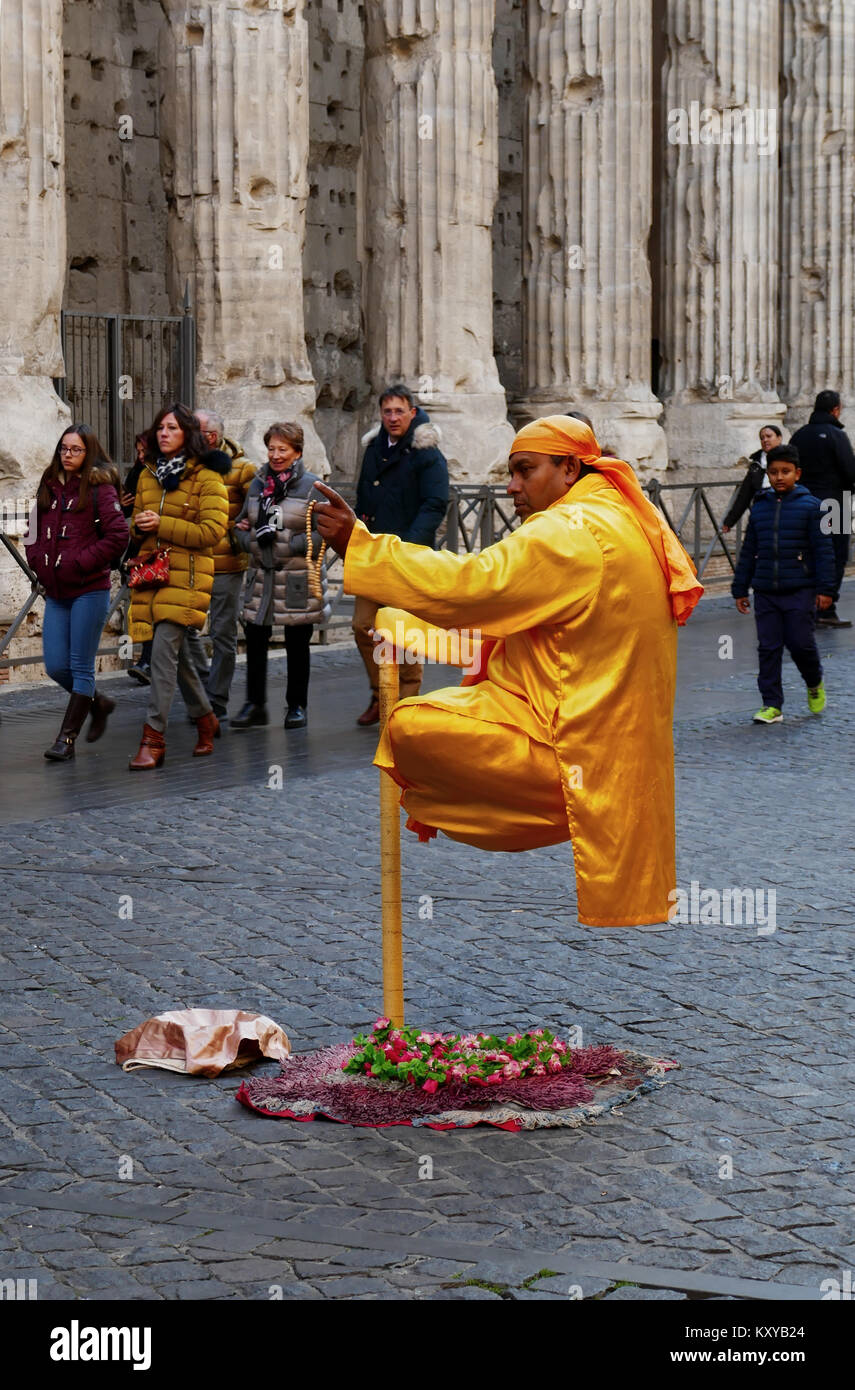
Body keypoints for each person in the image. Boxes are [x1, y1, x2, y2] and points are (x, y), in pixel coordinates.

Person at [313, 416, 704, 928]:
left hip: (563, 753)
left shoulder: (569, 532)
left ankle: (521, 806)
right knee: (423, 711)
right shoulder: (625, 519)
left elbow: (471, 588)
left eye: (525, 470)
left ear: (568, 468)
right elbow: (524, 633)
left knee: (409, 726)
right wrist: (408, 627)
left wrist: (362, 548)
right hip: (614, 759)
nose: (512, 487)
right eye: (510, 473)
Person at [127, 403, 229, 769]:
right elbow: (137, 528)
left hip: (186, 580)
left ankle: (153, 739)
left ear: (189, 434)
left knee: (161, 656)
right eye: (160, 428)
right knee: (178, 657)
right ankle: (206, 720)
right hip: (153, 578)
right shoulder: (147, 475)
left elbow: (212, 533)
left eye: (172, 428)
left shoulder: (208, 477)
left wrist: (162, 525)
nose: (164, 433)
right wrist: (138, 528)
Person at [25, 423, 129, 760]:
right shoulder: (49, 484)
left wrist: (80, 563)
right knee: (56, 666)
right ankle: (99, 703)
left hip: (88, 589)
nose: (68, 455)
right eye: (64, 449)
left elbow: (118, 537)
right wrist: (37, 562)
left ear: (89, 453)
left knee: (80, 666)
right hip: (56, 591)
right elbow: (31, 531)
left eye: (76, 450)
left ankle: (66, 741)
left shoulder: (100, 489)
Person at [352, 384, 448, 726]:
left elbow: (435, 503)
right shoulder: (373, 448)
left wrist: (410, 545)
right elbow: (365, 495)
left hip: (407, 555)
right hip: (374, 553)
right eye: (387, 411)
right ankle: (381, 693)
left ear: (412, 413)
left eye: (398, 411)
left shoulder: (427, 452)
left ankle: (406, 699)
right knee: (363, 625)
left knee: (403, 628)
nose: (392, 418)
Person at [231, 422, 329, 729]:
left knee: (297, 642)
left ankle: (297, 706)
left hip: (297, 575)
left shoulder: (313, 486)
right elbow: (240, 524)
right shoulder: (258, 484)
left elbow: (326, 529)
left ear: (297, 452)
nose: (275, 455)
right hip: (262, 574)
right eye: (271, 448)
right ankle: (255, 704)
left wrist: (293, 544)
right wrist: (248, 541)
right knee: (255, 638)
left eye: (282, 449)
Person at [731, 444, 835, 724]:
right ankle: (771, 704)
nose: (779, 477)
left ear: (797, 474)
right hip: (765, 590)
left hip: (800, 589)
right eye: (774, 472)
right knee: (768, 648)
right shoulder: (761, 506)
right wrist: (740, 588)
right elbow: (749, 549)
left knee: (801, 644)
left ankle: (814, 682)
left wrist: (826, 590)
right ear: (768, 473)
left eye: (785, 472)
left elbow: (825, 551)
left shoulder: (813, 507)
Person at [182, 409, 256, 723]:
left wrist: (239, 531)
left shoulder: (243, 468)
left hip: (227, 565)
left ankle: (217, 698)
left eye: (195, 432)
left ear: (212, 436)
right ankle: (203, 680)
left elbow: (256, 511)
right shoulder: (187, 465)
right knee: (183, 627)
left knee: (223, 633)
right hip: (190, 563)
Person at [789, 390, 855, 627]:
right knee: (835, 554)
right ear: (835, 410)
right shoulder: (836, 435)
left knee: (807, 553)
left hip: (803, 502)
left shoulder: (799, 435)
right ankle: (826, 608)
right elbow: (850, 470)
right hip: (834, 503)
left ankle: (807, 604)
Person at [122, 434, 154, 685]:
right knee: (143, 608)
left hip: (164, 553)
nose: (141, 456)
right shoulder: (137, 474)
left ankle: (150, 660)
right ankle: (147, 659)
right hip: (139, 551)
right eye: (138, 451)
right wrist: (120, 506)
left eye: (145, 450)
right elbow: (126, 509)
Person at [721, 424, 783, 533]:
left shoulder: (789, 458)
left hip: (783, 508)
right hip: (761, 509)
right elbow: (745, 494)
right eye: (762, 438)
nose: (765, 440)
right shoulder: (756, 463)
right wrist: (729, 521)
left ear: (779, 438)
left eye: (769, 436)